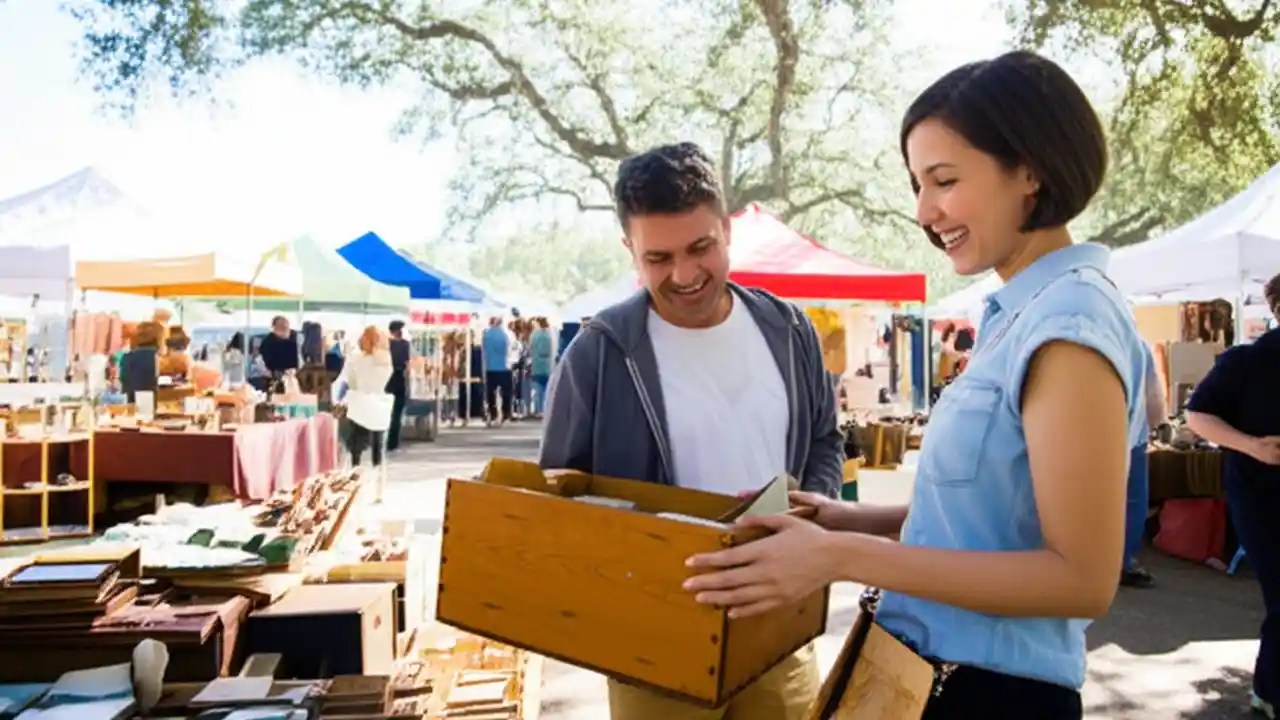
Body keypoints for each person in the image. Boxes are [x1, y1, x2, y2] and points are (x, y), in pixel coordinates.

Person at [683, 52, 1147, 719]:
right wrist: (851, 519)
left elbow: (1079, 578)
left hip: (985, 695)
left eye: (945, 180)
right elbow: (996, 520)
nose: (925, 211)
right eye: (916, 185)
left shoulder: (1069, 321)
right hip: (928, 678)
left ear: (1029, 170)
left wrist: (840, 555)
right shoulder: (1018, 313)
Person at [540, 141, 842, 720]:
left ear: (727, 230)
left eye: (700, 247)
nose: (684, 274)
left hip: (779, 624)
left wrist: (814, 505)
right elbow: (560, 494)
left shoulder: (789, 329)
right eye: (658, 258)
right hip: (651, 637)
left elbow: (826, 439)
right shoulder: (598, 353)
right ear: (630, 250)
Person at [1186, 272, 1280, 718]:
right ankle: (1270, 691)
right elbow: (1197, 416)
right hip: (1263, 497)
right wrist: (1252, 445)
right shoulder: (1248, 361)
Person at [1122, 340, 1166, 588]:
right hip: (1133, 435)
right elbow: (1154, 395)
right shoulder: (1138, 346)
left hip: (1091, 438)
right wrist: (1156, 423)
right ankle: (1123, 561)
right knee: (1132, 503)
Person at [384, 320, 411, 452]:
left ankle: (384, 441)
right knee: (397, 414)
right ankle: (393, 443)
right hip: (399, 380)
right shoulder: (405, 345)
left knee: (386, 413)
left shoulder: (385, 345)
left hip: (387, 381)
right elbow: (407, 364)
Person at [481, 316, 513, 424]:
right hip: (505, 367)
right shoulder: (507, 334)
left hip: (491, 368)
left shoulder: (487, 334)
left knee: (491, 393)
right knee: (506, 393)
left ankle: (493, 413)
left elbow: (485, 351)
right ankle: (506, 413)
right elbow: (510, 350)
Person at [259, 316, 299, 390]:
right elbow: (267, 362)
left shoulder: (297, 339)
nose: (285, 328)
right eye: (281, 326)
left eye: (286, 325)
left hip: (296, 374)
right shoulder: (268, 342)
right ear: (274, 328)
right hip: (276, 375)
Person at [528, 317, 555, 418]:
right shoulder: (550, 335)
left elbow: (530, 348)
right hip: (547, 366)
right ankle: (545, 409)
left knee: (538, 390)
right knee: (546, 390)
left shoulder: (535, 335)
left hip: (536, 366)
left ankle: (538, 409)